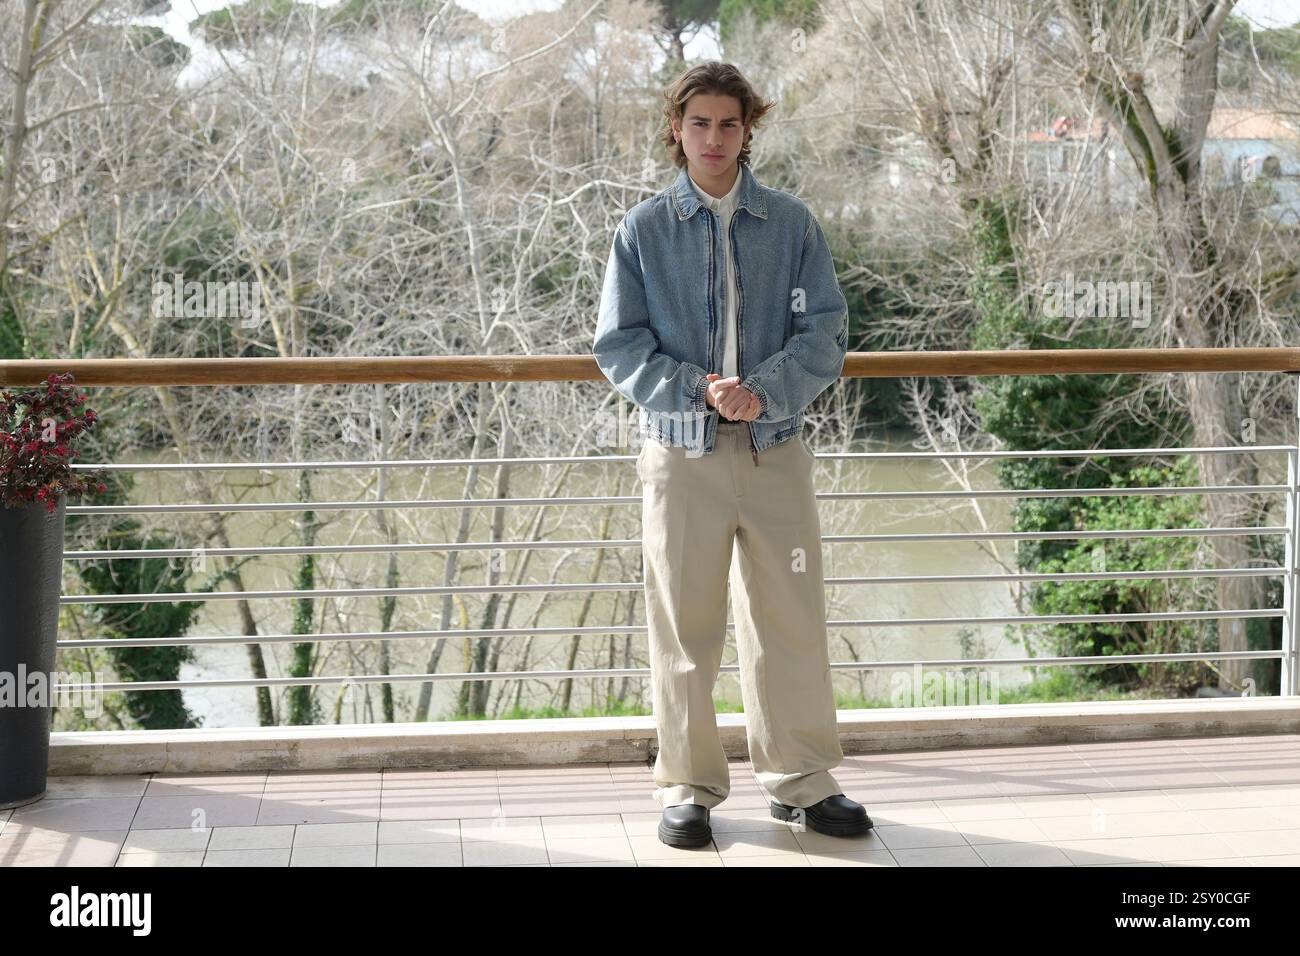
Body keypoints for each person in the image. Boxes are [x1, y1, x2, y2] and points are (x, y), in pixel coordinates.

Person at [593, 61, 871, 849]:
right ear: (676, 132)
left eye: (729, 123)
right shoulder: (643, 229)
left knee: (790, 618)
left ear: (750, 130)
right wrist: (694, 389)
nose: (714, 138)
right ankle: (688, 785)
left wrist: (768, 391)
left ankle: (803, 782)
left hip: (773, 452)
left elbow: (826, 330)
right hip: (681, 458)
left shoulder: (792, 225)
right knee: (685, 627)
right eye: (699, 123)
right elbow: (618, 344)